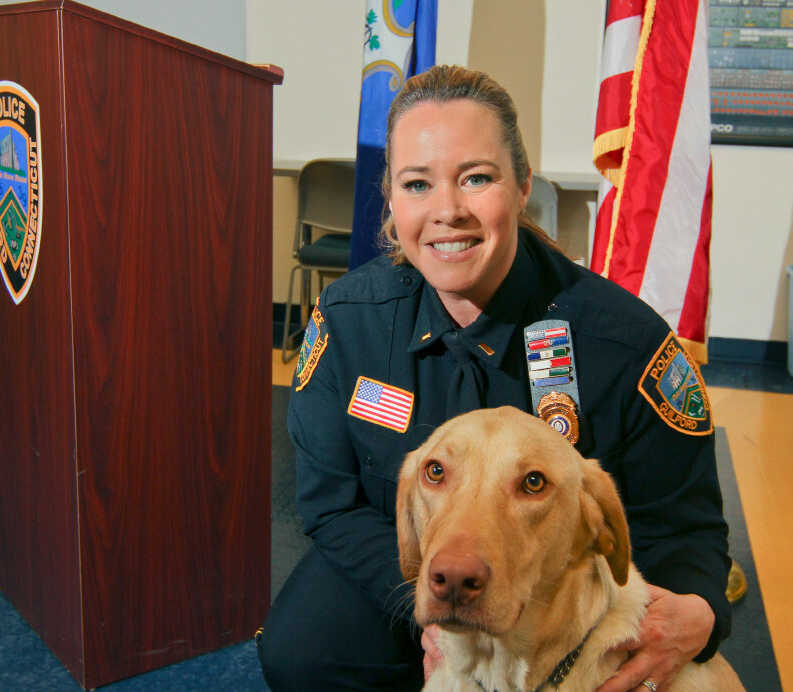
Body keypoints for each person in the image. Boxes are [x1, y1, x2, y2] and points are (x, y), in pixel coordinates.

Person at [257, 64, 730, 692]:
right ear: (391, 200)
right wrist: (433, 613)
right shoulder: (350, 324)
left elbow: (683, 525)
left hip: (550, 601)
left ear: (523, 186)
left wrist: (701, 610)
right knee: (300, 653)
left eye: (476, 178)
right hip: (401, 570)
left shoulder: (624, 345)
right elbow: (331, 504)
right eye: (417, 184)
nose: (446, 211)